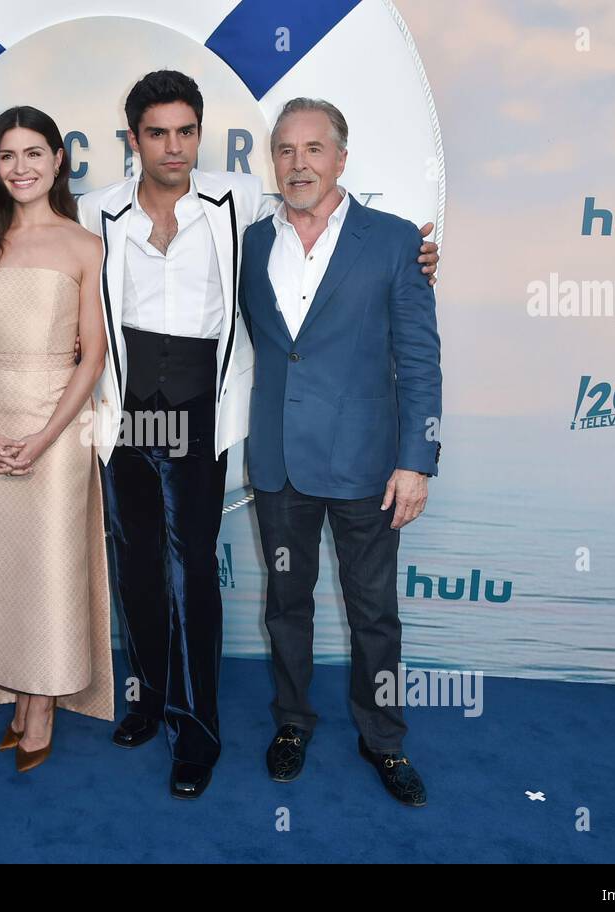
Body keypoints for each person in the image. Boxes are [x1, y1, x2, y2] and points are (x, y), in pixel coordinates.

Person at [77, 72, 441, 799]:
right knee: (153, 570)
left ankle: (342, 734)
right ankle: (184, 702)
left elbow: (410, 337)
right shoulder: (111, 213)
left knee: (225, 579)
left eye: (186, 132)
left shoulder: (250, 207)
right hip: (145, 412)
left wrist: (418, 457)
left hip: (248, 425)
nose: (174, 146)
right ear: (134, 139)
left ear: (341, 157)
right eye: (158, 132)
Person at [240, 98, 441, 806]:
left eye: (314, 149)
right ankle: (293, 720)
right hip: (280, 464)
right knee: (286, 604)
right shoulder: (252, 243)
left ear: (342, 159)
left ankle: (383, 737)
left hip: (365, 464)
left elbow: (419, 358)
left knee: (374, 611)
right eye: (287, 151)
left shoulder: (394, 242)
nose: (300, 164)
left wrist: (416, 459)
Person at [0, 106, 111, 772]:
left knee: (49, 568)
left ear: (58, 161)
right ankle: (15, 692)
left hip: (58, 425)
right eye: (8, 156)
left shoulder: (84, 245)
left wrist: (46, 435)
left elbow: (93, 356)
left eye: (34, 153)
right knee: (2, 572)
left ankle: (43, 702)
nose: (21, 168)